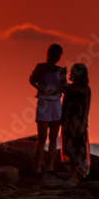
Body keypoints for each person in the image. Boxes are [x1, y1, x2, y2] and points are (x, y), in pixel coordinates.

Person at [29, 43, 66, 175]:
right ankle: (38, 167)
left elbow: (63, 86)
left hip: (56, 103)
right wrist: (41, 89)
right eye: (54, 54)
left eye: (58, 55)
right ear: (48, 54)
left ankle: (50, 167)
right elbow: (32, 80)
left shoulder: (61, 70)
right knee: (42, 136)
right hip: (43, 102)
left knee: (53, 136)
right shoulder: (41, 67)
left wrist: (57, 90)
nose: (56, 57)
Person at [61, 62, 91, 183]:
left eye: (73, 72)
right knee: (69, 148)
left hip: (78, 121)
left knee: (79, 147)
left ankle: (80, 174)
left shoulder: (86, 89)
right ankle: (73, 175)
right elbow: (63, 102)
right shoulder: (68, 88)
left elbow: (87, 107)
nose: (71, 74)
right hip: (67, 121)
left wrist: (83, 123)